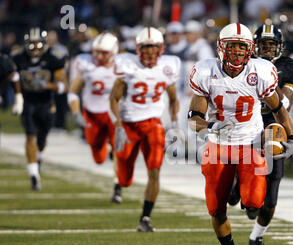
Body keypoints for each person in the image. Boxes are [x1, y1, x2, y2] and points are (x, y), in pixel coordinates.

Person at [188, 23, 293, 245]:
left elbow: (278, 108)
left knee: (254, 202)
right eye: (232, 45)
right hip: (219, 146)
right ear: (221, 47)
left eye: (242, 46)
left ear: (250, 50)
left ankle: (237, 187)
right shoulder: (206, 71)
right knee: (216, 209)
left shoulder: (260, 72)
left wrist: (290, 136)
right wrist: (211, 125)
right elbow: (194, 119)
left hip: (250, 143)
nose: (237, 52)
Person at [227, 24, 293, 245]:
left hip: (273, 127)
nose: (268, 49)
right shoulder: (244, 65)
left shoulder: (290, 68)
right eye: (263, 44)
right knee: (240, 192)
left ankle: (256, 236)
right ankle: (238, 189)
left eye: (272, 45)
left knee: (270, 197)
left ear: (280, 46)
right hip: (247, 126)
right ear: (255, 46)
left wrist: (271, 86)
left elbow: (286, 100)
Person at [110, 27, 180, 232]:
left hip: (153, 124)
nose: (150, 52)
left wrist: (174, 118)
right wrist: (118, 121)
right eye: (146, 47)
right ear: (138, 49)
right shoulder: (127, 65)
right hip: (129, 125)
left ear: (161, 48)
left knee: (155, 171)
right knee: (124, 178)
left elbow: (174, 98)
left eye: (153, 47)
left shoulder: (168, 66)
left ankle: (145, 218)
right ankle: (118, 183)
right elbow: (114, 98)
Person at [68, 32, 123, 203]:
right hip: (93, 113)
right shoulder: (84, 63)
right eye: (96, 52)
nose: (98, 56)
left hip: (116, 114)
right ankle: (106, 149)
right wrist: (76, 113)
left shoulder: (124, 65)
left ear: (113, 52)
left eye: (103, 53)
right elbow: (73, 91)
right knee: (98, 159)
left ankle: (117, 187)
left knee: (119, 150)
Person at [12, 27, 67, 190]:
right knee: (30, 137)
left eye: (38, 45)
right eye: (32, 45)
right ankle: (34, 175)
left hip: (46, 103)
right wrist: (17, 97)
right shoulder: (18, 59)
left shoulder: (53, 59)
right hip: (28, 103)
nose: (35, 49)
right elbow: (10, 77)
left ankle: (39, 157)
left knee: (41, 141)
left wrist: (48, 85)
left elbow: (63, 86)